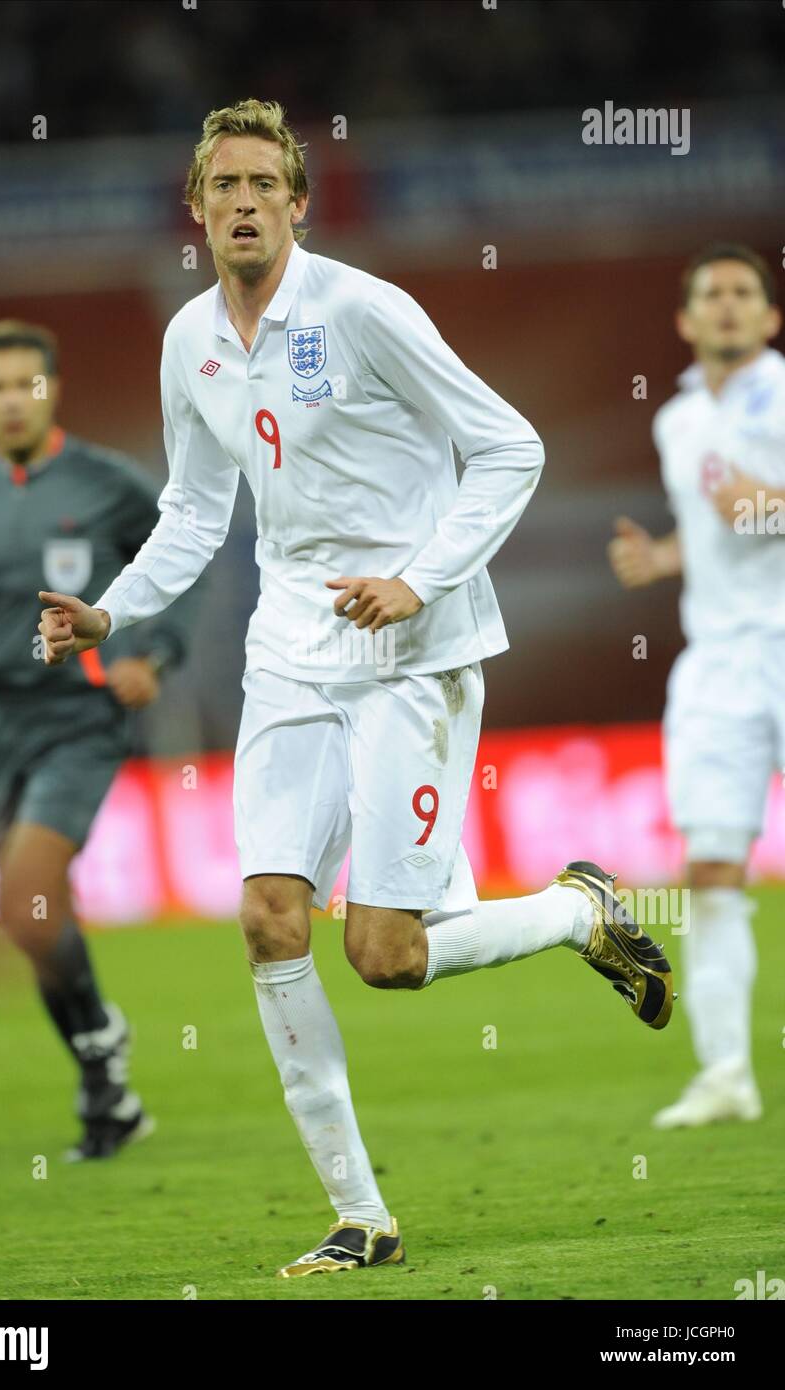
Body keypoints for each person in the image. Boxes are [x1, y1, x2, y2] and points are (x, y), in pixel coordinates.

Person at [40, 99, 673, 1274]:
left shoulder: (366, 310)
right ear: (196, 205)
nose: (241, 202)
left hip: (410, 653)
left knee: (387, 952)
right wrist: (109, 609)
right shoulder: (193, 340)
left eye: (261, 186)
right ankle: (360, 1218)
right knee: (268, 916)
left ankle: (580, 911)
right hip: (288, 650)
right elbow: (192, 509)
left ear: (296, 204)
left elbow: (511, 447)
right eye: (221, 184)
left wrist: (420, 580)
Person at [0, 319, 193, 1159]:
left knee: (26, 894)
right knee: (36, 918)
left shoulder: (110, 482)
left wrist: (159, 657)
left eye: (27, 384)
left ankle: (100, 1047)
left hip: (81, 716)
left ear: (51, 390)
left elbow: (182, 558)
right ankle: (104, 1067)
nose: (11, 401)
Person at [609, 243, 783, 1129]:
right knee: (711, 865)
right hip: (718, 659)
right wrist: (663, 558)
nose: (725, 305)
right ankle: (726, 1074)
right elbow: (714, 530)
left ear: (769, 314)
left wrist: (769, 503)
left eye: (742, 292)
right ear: (685, 320)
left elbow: (761, 510)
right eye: (709, 294)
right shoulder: (676, 418)